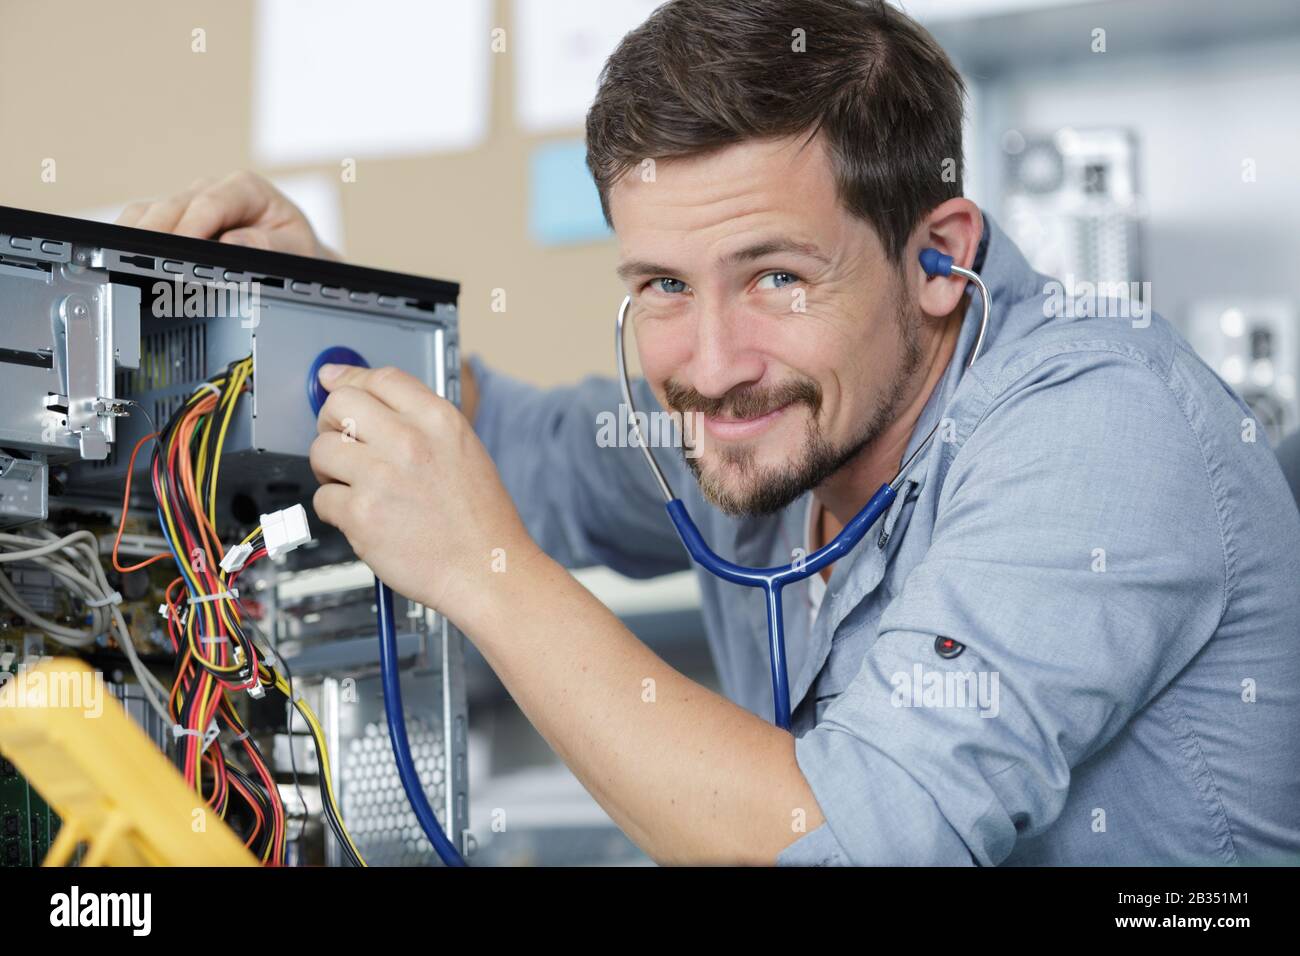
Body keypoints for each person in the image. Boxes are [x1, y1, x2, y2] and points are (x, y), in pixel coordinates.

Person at [119, 0, 1300, 866]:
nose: (714, 365)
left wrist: (484, 569)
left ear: (939, 257)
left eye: (777, 277)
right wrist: (325, 300)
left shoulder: (1100, 434)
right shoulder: (772, 420)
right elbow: (527, 455)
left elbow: (847, 848)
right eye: (664, 287)